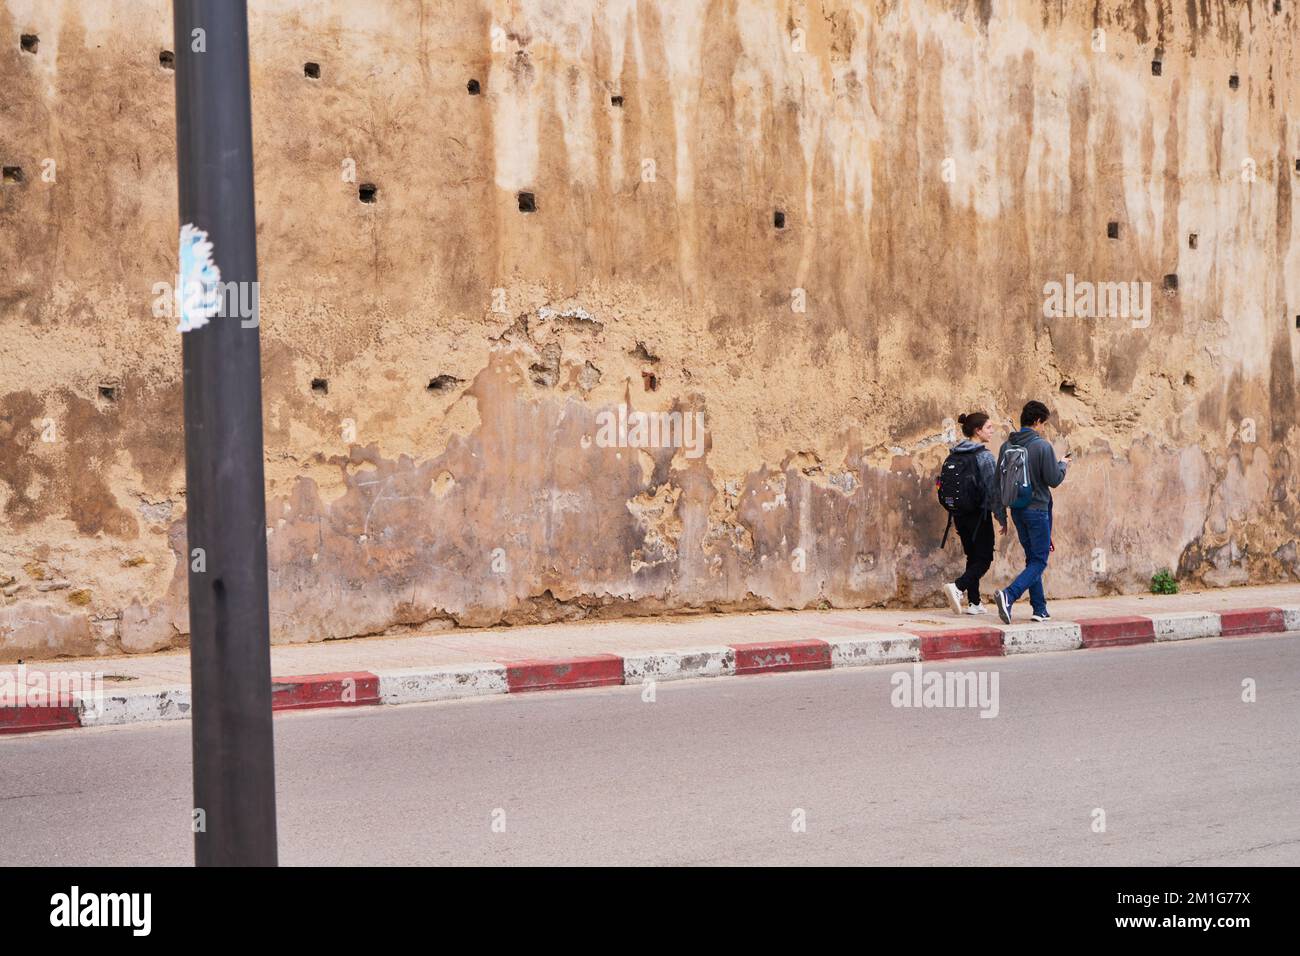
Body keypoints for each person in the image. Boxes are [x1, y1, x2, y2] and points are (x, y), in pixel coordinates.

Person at [993, 400, 1070, 623]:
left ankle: (1039, 608)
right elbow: (1054, 479)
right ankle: (1009, 595)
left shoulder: (1007, 446)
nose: (1044, 428)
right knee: (1039, 560)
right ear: (1037, 421)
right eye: (1044, 424)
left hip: (1017, 510)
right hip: (1037, 510)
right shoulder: (1042, 446)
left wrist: (1001, 516)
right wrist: (1063, 464)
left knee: (1032, 559)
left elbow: (997, 482)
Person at [942, 412, 1006, 615]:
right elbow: (994, 490)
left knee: (972, 555)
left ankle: (974, 603)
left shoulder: (954, 454)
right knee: (985, 558)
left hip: (959, 513)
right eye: (988, 427)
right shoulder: (984, 456)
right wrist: (1001, 516)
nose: (992, 431)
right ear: (977, 431)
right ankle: (958, 587)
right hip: (979, 514)